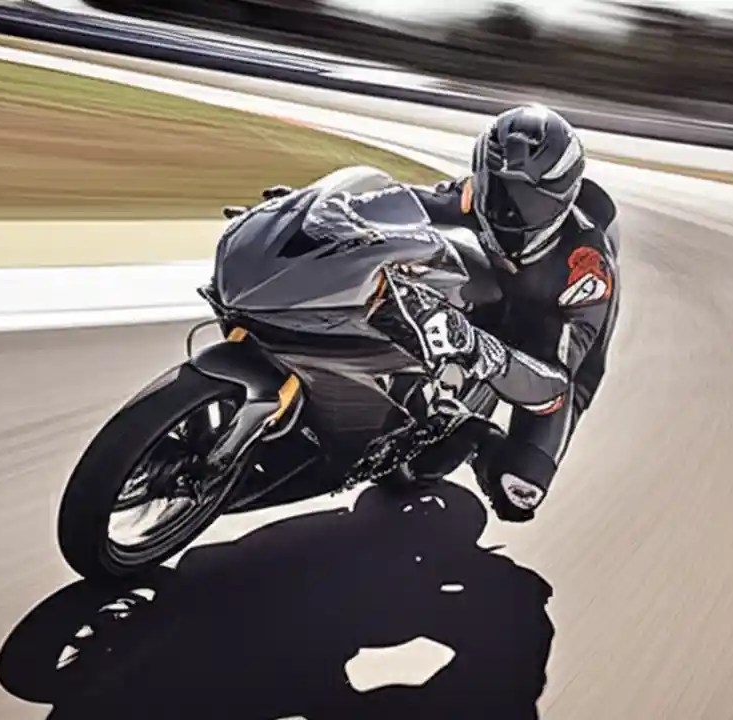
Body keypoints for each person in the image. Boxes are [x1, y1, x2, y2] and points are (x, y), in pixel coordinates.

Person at [233, 104, 620, 523]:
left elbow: (553, 387)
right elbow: (398, 203)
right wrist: (303, 215)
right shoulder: (473, 196)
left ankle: (474, 437)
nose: (510, 209)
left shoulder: (586, 269)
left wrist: (479, 349)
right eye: (500, 188)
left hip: (553, 348)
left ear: (563, 198)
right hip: (489, 300)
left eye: (530, 200)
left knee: (518, 489)